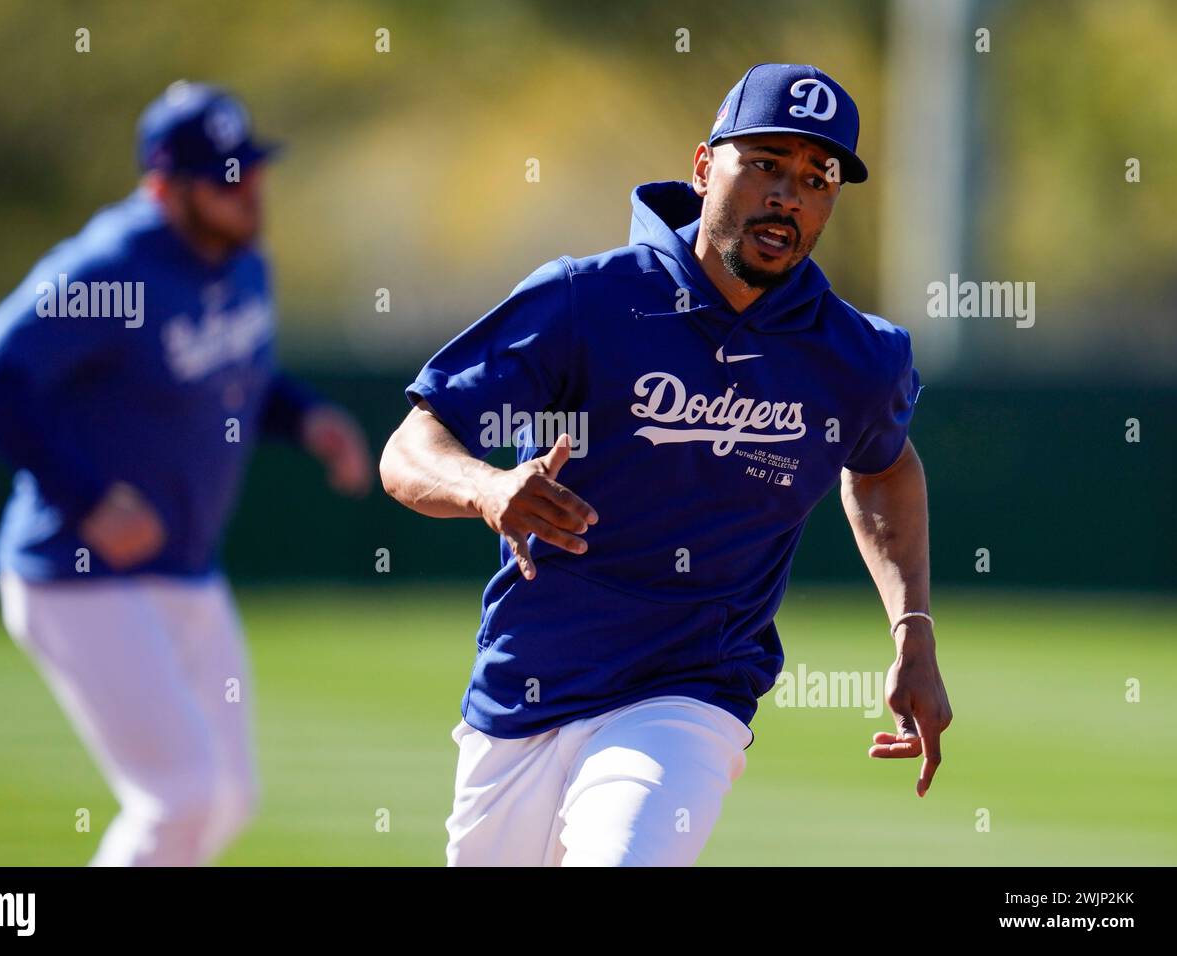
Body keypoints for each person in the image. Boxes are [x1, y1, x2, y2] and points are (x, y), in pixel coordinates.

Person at [380, 63, 953, 866]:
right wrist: (487, 488)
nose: (790, 193)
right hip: (525, 688)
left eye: (818, 177)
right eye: (765, 164)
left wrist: (912, 630)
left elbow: (884, 465)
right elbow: (412, 446)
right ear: (702, 165)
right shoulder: (588, 300)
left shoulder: (857, 357)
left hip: (691, 695)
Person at [0, 81, 371, 866]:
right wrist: (86, 498)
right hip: (77, 575)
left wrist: (305, 417)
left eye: (252, 170)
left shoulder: (240, 260)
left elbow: (232, 374)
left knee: (228, 796)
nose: (248, 193)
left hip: (184, 569)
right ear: (163, 188)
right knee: (181, 797)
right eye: (225, 178)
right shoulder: (111, 268)